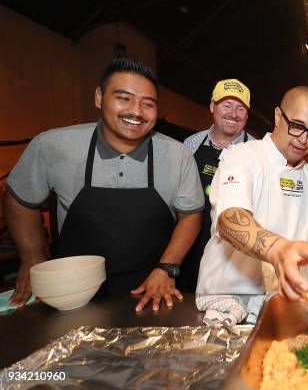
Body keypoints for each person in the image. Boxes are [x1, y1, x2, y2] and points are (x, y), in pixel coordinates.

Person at [3, 57, 204, 312]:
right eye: (124, 98)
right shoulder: (54, 145)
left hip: (151, 286)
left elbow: (190, 216)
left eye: (148, 104)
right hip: (74, 290)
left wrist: (167, 268)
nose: (136, 111)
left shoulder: (177, 154)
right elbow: (20, 199)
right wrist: (32, 257)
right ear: (99, 97)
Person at [196, 86, 308, 301]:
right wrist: (278, 249)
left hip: (286, 303)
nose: (304, 139)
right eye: (297, 126)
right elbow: (230, 219)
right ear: (279, 116)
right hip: (229, 300)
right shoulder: (242, 157)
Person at [180, 79, 256, 292]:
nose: (233, 113)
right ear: (212, 107)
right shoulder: (190, 145)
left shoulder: (257, 151)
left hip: (239, 252)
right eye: (227, 105)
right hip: (193, 245)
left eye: (240, 108)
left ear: (247, 115)